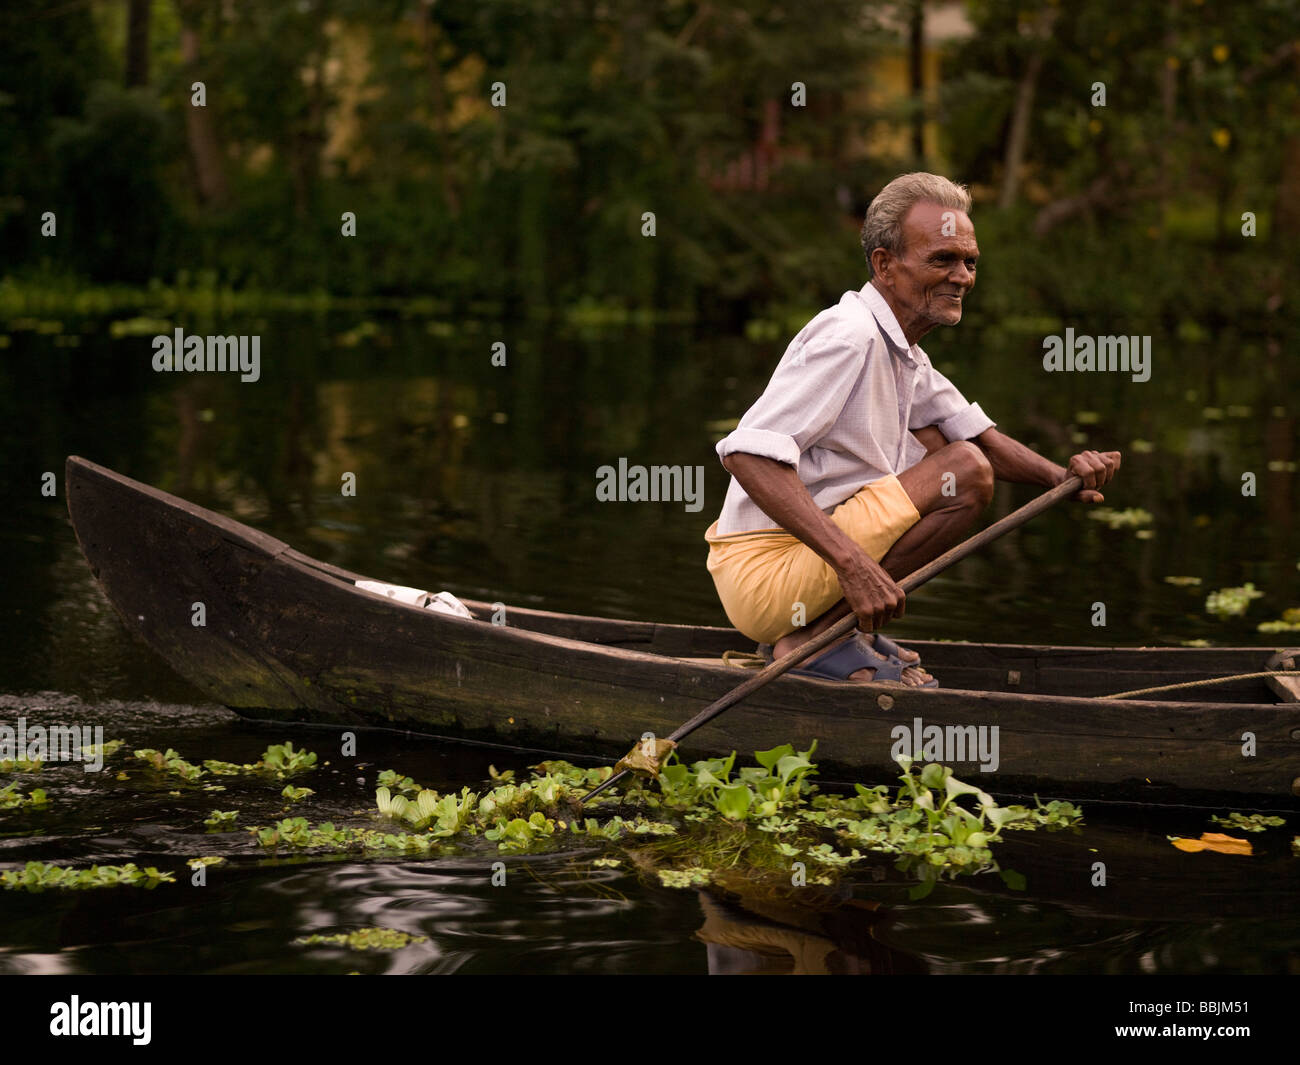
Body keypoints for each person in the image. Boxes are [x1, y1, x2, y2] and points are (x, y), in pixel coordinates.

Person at [705, 172, 1120, 687]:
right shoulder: (850, 336)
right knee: (963, 471)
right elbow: (748, 455)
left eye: (969, 262)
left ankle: (829, 630)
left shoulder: (903, 349)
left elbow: (980, 438)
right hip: (765, 573)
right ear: (885, 264)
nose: (963, 276)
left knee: (947, 448)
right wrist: (853, 567)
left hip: (800, 570)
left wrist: (1063, 476)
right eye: (943, 260)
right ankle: (817, 641)